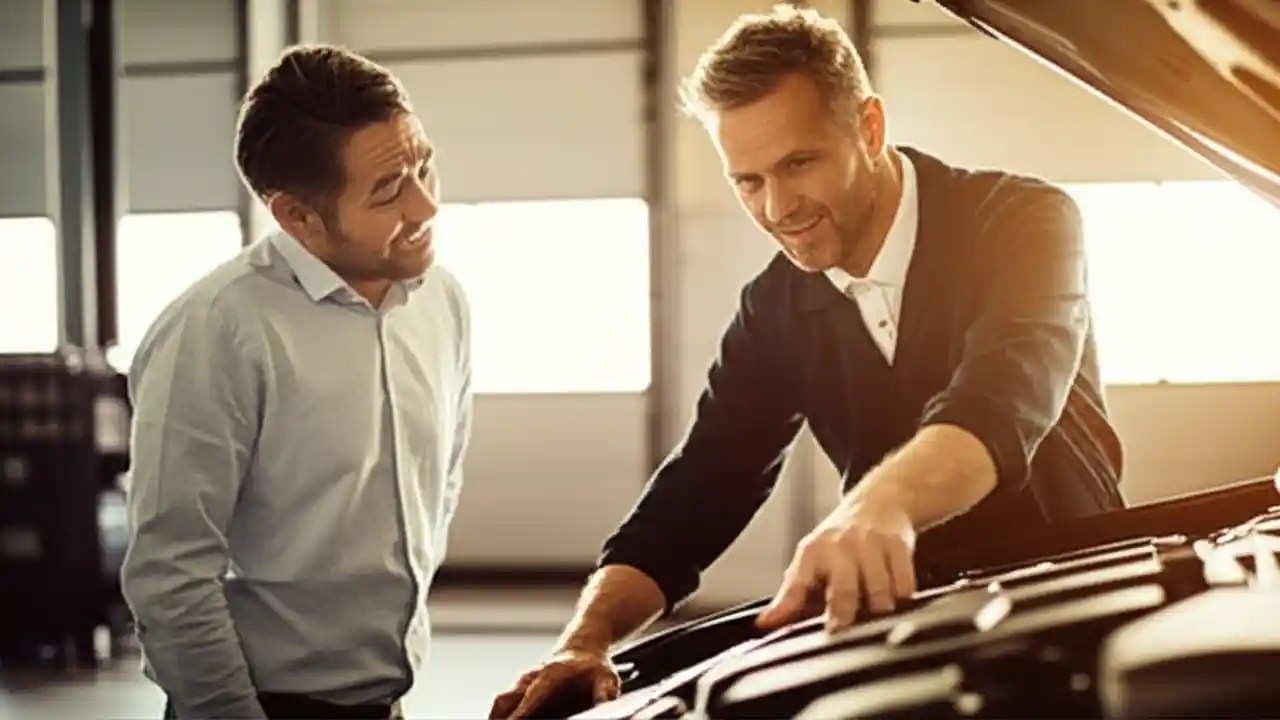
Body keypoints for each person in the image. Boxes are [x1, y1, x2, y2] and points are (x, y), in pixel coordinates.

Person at [490, 5, 1125, 718]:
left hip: (1071, 603)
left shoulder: (1022, 222)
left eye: (799, 163)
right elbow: (703, 484)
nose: (778, 207)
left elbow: (1003, 398)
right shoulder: (774, 308)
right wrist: (585, 639)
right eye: (748, 182)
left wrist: (877, 506)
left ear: (870, 129)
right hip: (905, 626)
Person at [120, 44, 472, 720]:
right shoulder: (217, 329)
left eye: (424, 164)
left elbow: (440, 486)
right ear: (295, 216)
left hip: (389, 702)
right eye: (388, 189)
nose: (426, 204)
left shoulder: (441, 300)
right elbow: (170, 574)